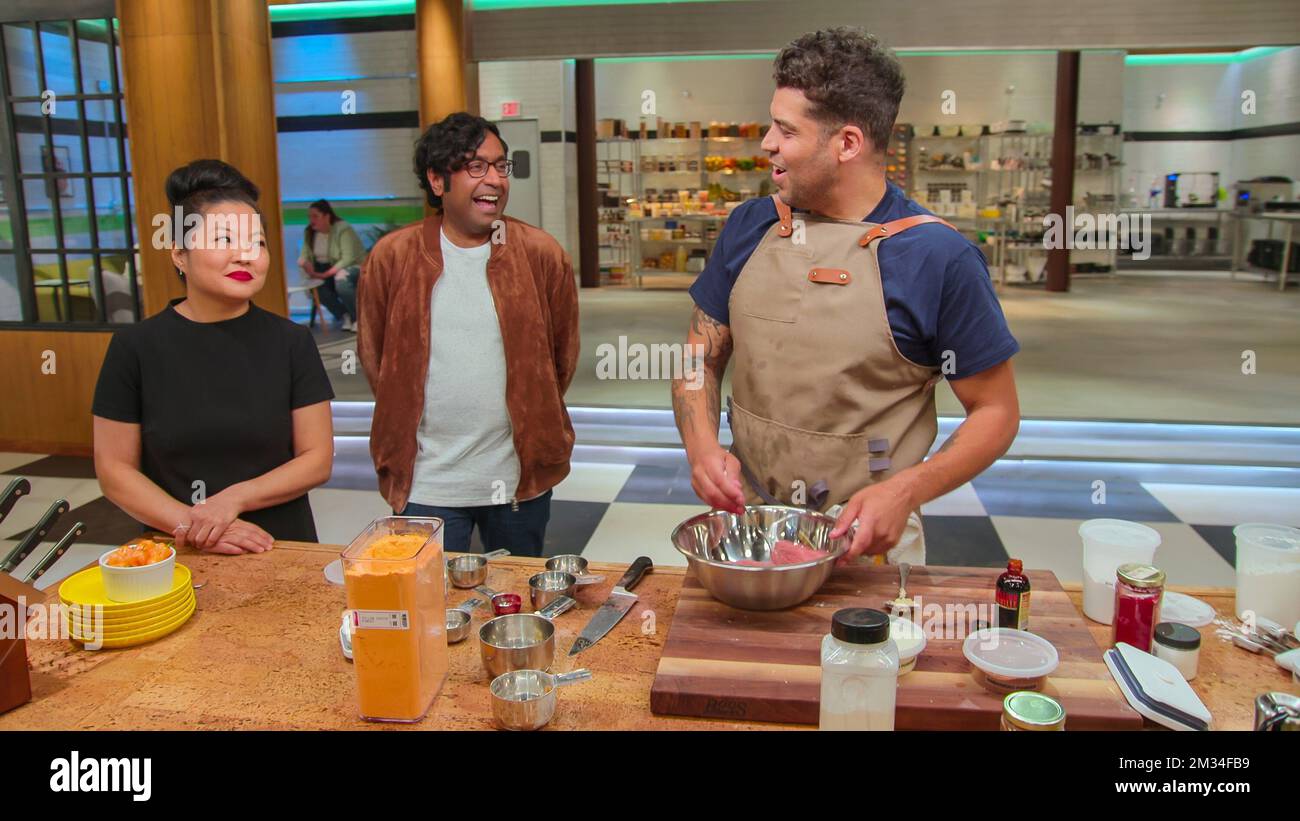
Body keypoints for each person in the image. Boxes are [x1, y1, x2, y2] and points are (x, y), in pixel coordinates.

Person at [671, 28, 1021, 564]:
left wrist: (906, 491)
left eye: (786, 131)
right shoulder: (749, 227)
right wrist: (700, 446)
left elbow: (995, 412)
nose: (766, 143)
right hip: (751, 521)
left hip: (867, 540)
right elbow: (701, 354)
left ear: (848, 144)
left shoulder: (938, 257)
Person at [358, 113, 579, 557]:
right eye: (476, 167)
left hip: (519, 478)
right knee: (429, 609)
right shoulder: (394, 257)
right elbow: (376, 357)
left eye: (501, 166)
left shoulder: (540, 253)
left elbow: (561, 357)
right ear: (437, 181)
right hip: (426, 482)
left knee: (515, 607)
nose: (494, 180)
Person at [93, 159, 336, 552]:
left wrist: (229, 502)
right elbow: (115, 470)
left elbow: (317, 458)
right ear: (178, 254)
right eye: (224, 240)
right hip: (175, 549)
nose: (245, 256)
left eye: (256, 242)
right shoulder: (134, 346)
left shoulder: (291, 341)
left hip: (278, 547)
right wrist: (196, 524)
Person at [298, 199, 365, 331]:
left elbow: (348, 258)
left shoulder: (343, 229)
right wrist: (305, 263)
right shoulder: (309, 232)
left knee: (342, 279)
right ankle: (344, 315)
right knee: (315, 287)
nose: (311, 220)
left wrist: (327, 273)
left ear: (327, 216)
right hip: (322, 269)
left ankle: (357, 318)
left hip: (351, 267)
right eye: (309, 217)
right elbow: (304, 255)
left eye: (315, 216)